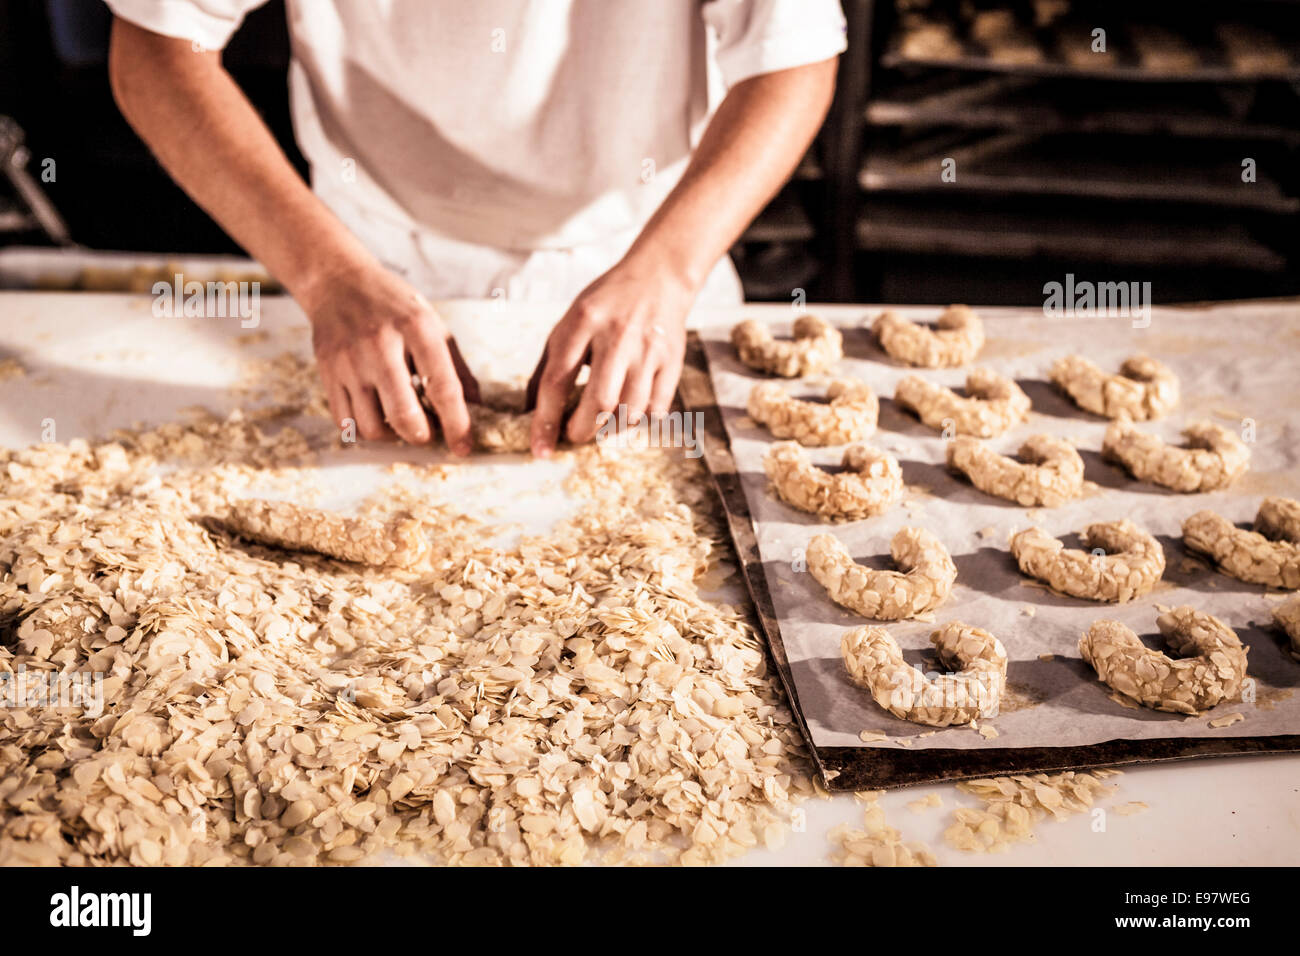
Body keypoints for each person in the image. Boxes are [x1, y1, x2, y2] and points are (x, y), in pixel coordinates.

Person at [106, 0, 845, 457]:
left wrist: (670, 270)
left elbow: (792, 57)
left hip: (645, 262)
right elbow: (156, 44)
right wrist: (327, 275)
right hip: (366, 261)